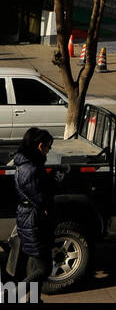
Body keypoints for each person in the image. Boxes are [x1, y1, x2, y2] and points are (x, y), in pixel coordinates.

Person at [12, 127, 57, 298]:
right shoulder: (31, 168)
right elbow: (41, 196)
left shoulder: (26, 164)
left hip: (30, 218)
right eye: (48, 147)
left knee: (36, 266)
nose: (48, 150)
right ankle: (11, 296)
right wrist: (56, 179)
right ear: (40, 146)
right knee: (44, 269)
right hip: (34, 221)